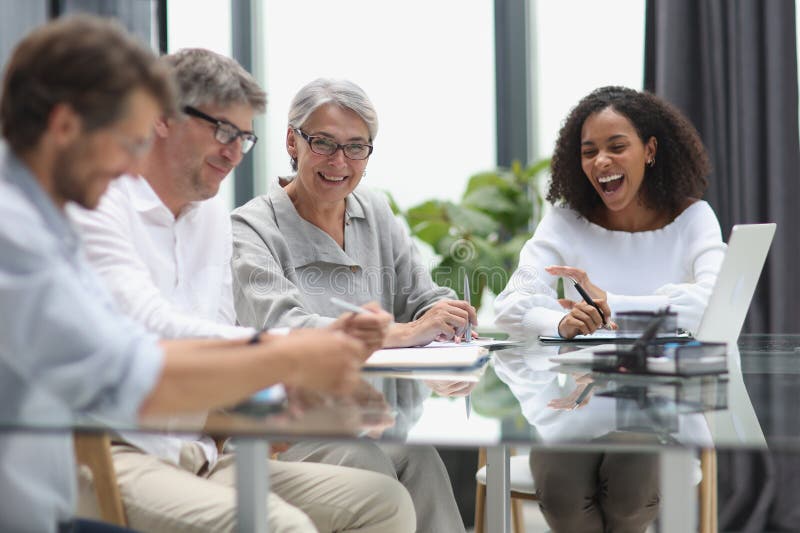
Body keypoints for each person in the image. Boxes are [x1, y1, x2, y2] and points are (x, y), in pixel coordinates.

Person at [0, 16, 413, 533]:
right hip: (105, 457)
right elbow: (133, 358)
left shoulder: (50, 221)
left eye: (244, 136)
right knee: (282, 528)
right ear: (64, 127)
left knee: (382, 500)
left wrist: (281, 384)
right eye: (128, 140)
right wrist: (290, 357)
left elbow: (147, 348)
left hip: (196, 445)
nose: (134, 169)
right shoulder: (24, 228)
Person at [230, 78, 471, 532]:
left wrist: (447, 316)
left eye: (356, 147)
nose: (340, 162)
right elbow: (285, 327)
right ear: (292, 141)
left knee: (423, 461)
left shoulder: (375, 211)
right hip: (290, 429)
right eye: (324, 143)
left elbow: (421, 295)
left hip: (374, 420)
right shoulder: (251, 228)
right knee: (372, 472)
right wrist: (400, 333)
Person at [494, 86, 726, 532]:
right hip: (574, 405)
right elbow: (511, 305)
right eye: (589, 151)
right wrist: (561, 321)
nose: (601, 161)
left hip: (663, 410)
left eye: (617, 146)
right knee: (561, 492)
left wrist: (608, 305)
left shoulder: (693, 218)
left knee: (629, 495)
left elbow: (713, 305)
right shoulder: (564, 221)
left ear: (650, 150)